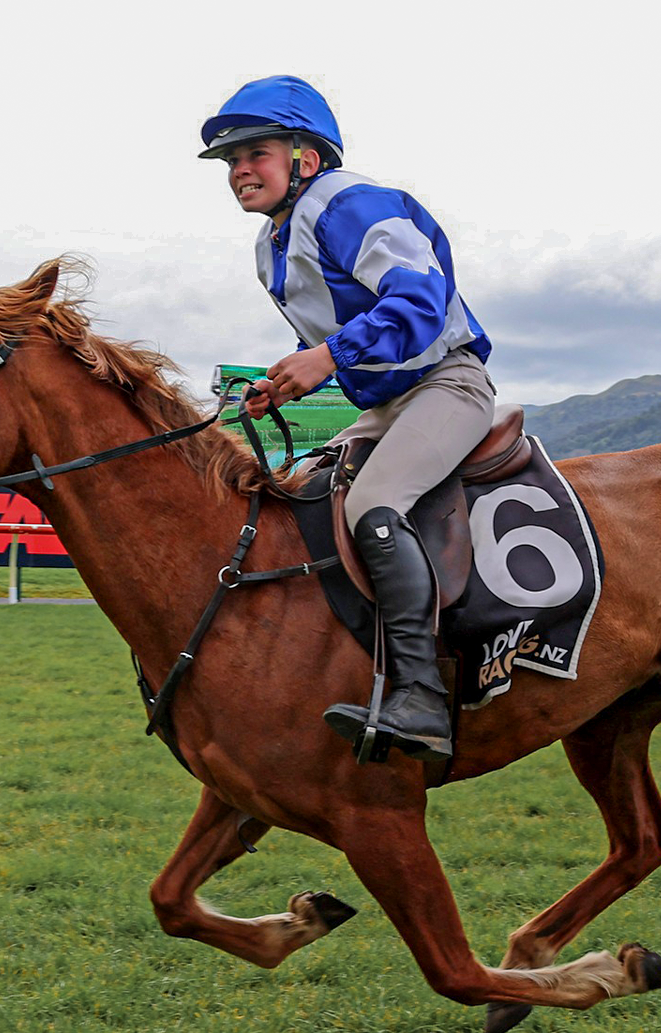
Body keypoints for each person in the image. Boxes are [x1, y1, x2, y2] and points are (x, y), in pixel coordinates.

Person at [200, 75, 495, 762]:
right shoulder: (270, 243)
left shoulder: (348, 201)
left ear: (307, 156)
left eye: (257, 153)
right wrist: (288, 382)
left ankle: (421, 697)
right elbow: (340, 336)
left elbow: (420, 298)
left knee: (374, 505)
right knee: (299, 491)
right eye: (231, 161)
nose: (241, 169)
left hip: (447, 384)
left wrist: (324, 358)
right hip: (388, 405)